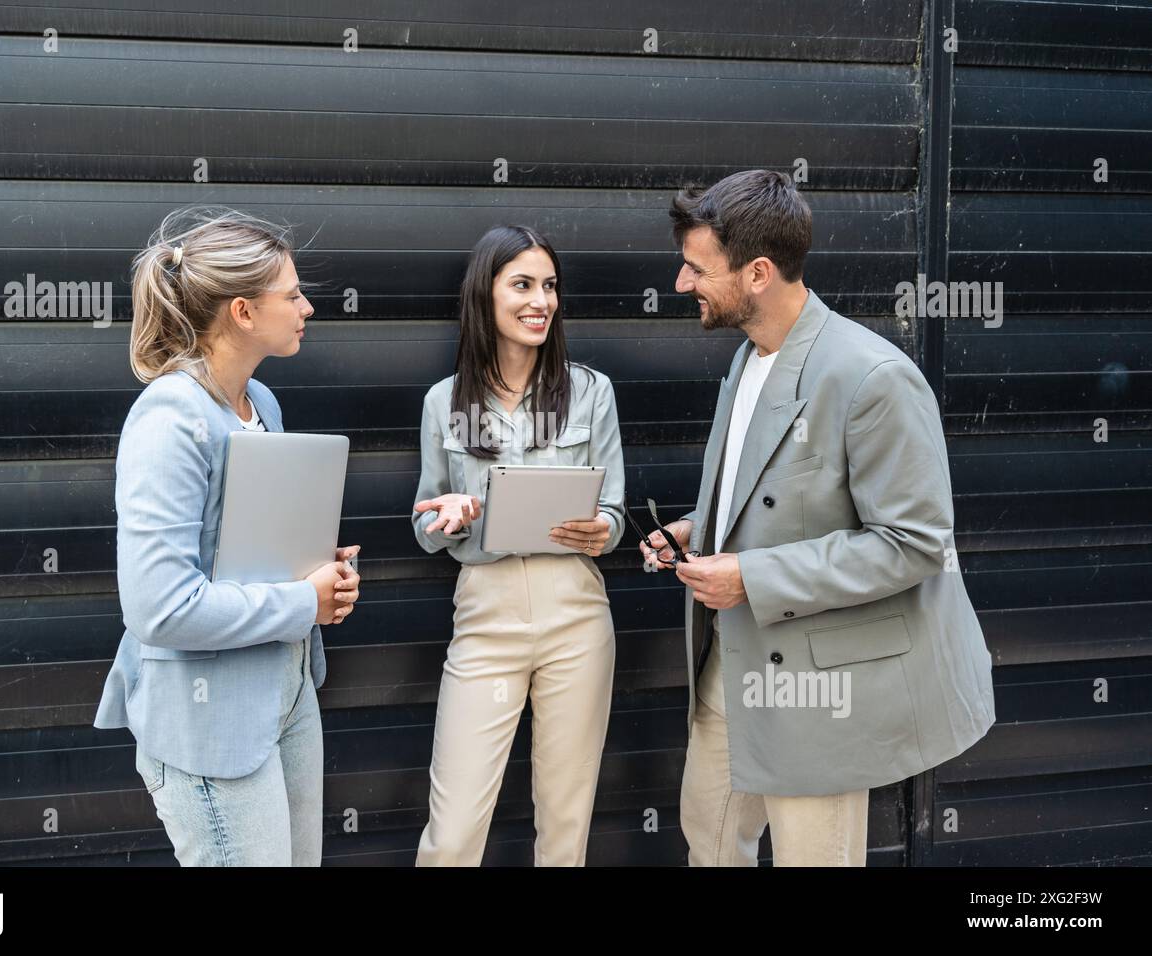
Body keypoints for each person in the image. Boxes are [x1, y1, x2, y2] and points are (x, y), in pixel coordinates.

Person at [642, 170, 996, 866]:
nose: (682, 285)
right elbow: (777, 494)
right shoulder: (748, 360)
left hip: (820, 691)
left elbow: (915, 543)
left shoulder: (872, 377)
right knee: (708, 847)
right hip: (729, 665)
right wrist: (698, 528)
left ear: (759, 274)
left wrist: (751, 575)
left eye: (696, 269)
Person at [93, 206, 361, 866]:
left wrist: (309, 563)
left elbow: (237, 550)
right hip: (208, 722)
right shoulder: (168, 420)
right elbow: (160, 608)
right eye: (292, 294)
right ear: (243, 311)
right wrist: (307, 602)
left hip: (284, 691)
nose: (306, 307)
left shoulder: (259, 403)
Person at [411, 225, 626, 866]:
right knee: (451, 837)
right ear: (486, 294)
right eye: (523, 284)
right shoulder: (444, 402)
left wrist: (605, 530)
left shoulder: (591, 391)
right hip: (486, 616)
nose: (541, 301)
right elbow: (423, 526)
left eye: (550, 286)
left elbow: (613, 511)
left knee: (565, 827)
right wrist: (444, 518)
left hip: (576, 615)